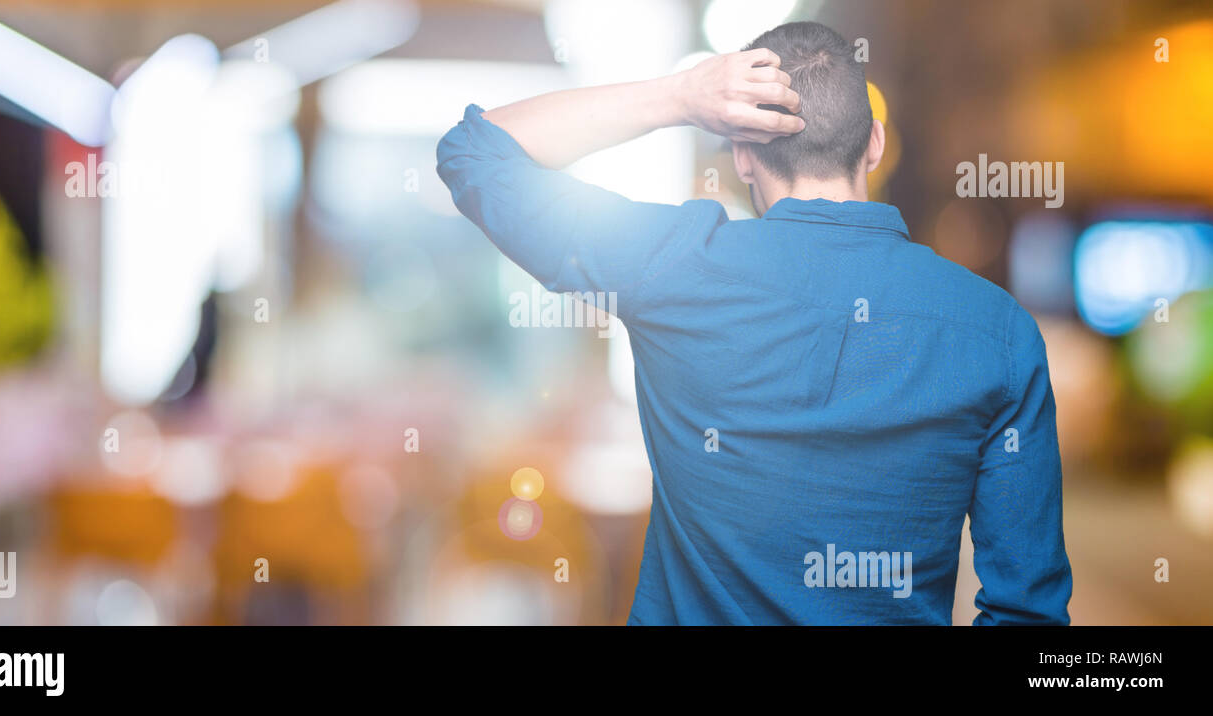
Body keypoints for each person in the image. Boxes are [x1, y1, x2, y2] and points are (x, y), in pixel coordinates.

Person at [437, 21, 1071, 625]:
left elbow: (473, 152)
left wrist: (680, 96)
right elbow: (1027, 610)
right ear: (874, 143)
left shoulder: (672, 267)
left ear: (743, 155)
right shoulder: (1000, 332)